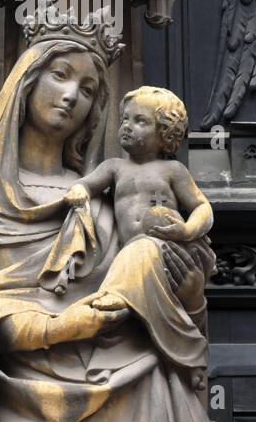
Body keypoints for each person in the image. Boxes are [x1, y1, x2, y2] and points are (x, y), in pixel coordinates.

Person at [0, 33, 218, 422]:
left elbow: (158, 306)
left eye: (88, 89)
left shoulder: (106, 204)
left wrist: (192, 297)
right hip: (10, 391)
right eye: (60, 75)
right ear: (26, 81)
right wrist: (59, 327)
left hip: (125, 380)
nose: (72, 95)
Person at [40, 86, 212, 325]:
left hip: (167, 249)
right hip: (128, 250)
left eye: (140, 121)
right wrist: (79, 190)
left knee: (142, 248)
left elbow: (202, 207)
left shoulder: (173, 170)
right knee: (134, 250)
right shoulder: (114, 167)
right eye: (125, 119)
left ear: (165, 133)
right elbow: (85, 185)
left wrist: (187, 230)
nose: (128, 126)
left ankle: (114, 292)